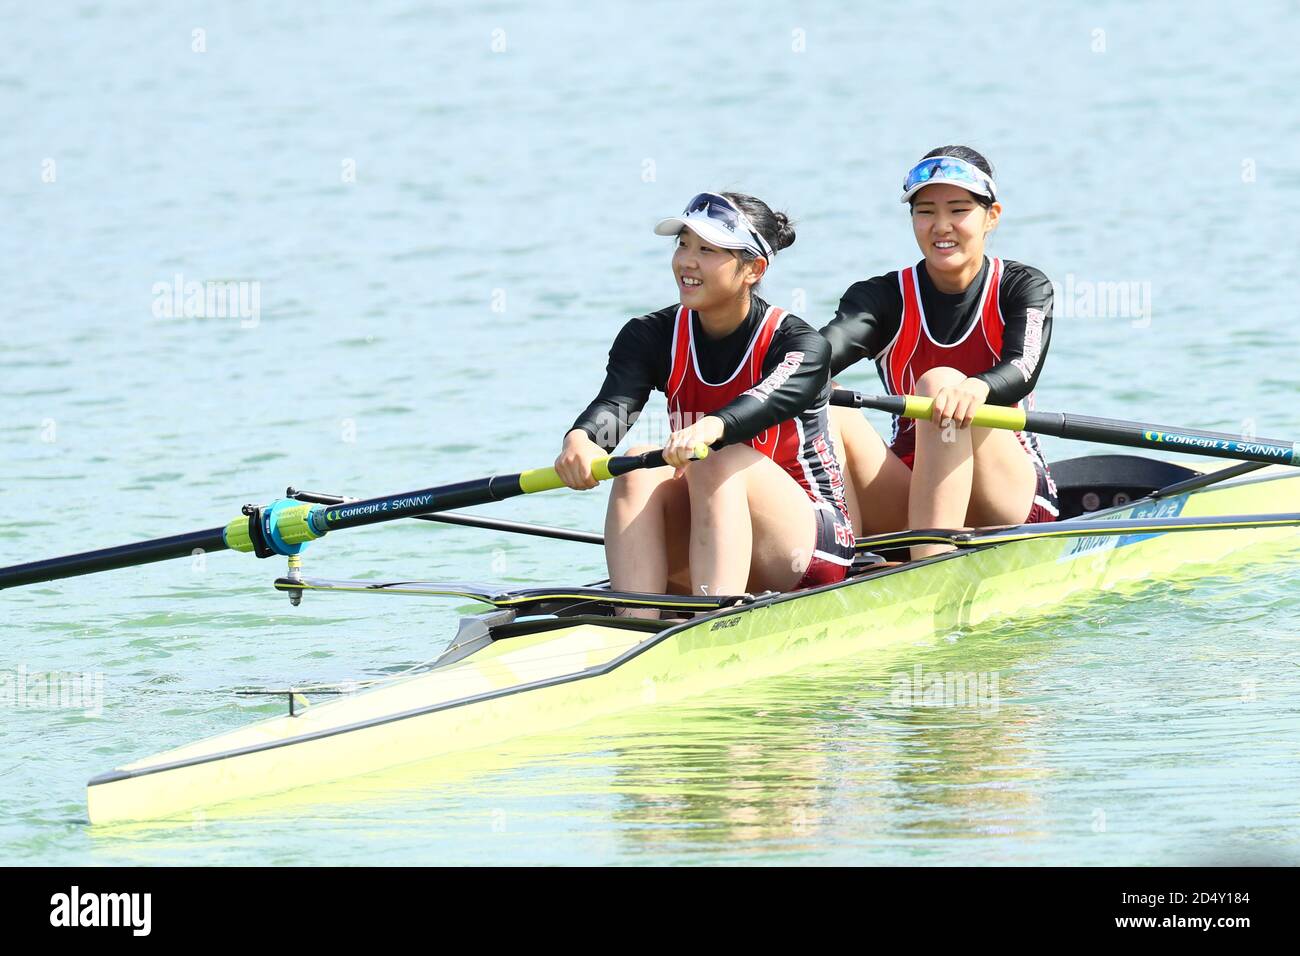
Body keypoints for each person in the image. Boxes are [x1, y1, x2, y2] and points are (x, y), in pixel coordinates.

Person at [557, 191, 854, 614]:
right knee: (639, 465)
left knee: (715, 458)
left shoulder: (799, 345)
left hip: (808, 544)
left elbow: (762, 404)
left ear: (754, 269)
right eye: (683, 244)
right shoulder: (649, 335)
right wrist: (583, 440)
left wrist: (711, 427)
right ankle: (634, 622)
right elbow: (617, 403)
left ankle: (712, 622)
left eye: (708, 250)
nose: (687, 262)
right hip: (713, 528)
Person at [821, 146, 1058, 559]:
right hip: (911, 492)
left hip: (1006, 497)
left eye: (959, 210)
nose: (941, 226)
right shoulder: (880, 297)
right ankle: (847, 565)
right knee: (821, 393)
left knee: (939, 383)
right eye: (925, 211)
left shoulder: (1023, 287)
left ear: (992, 216)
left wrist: (977, 388)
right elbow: (813, 357)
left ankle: (929, 568)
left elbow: (1023, 367)